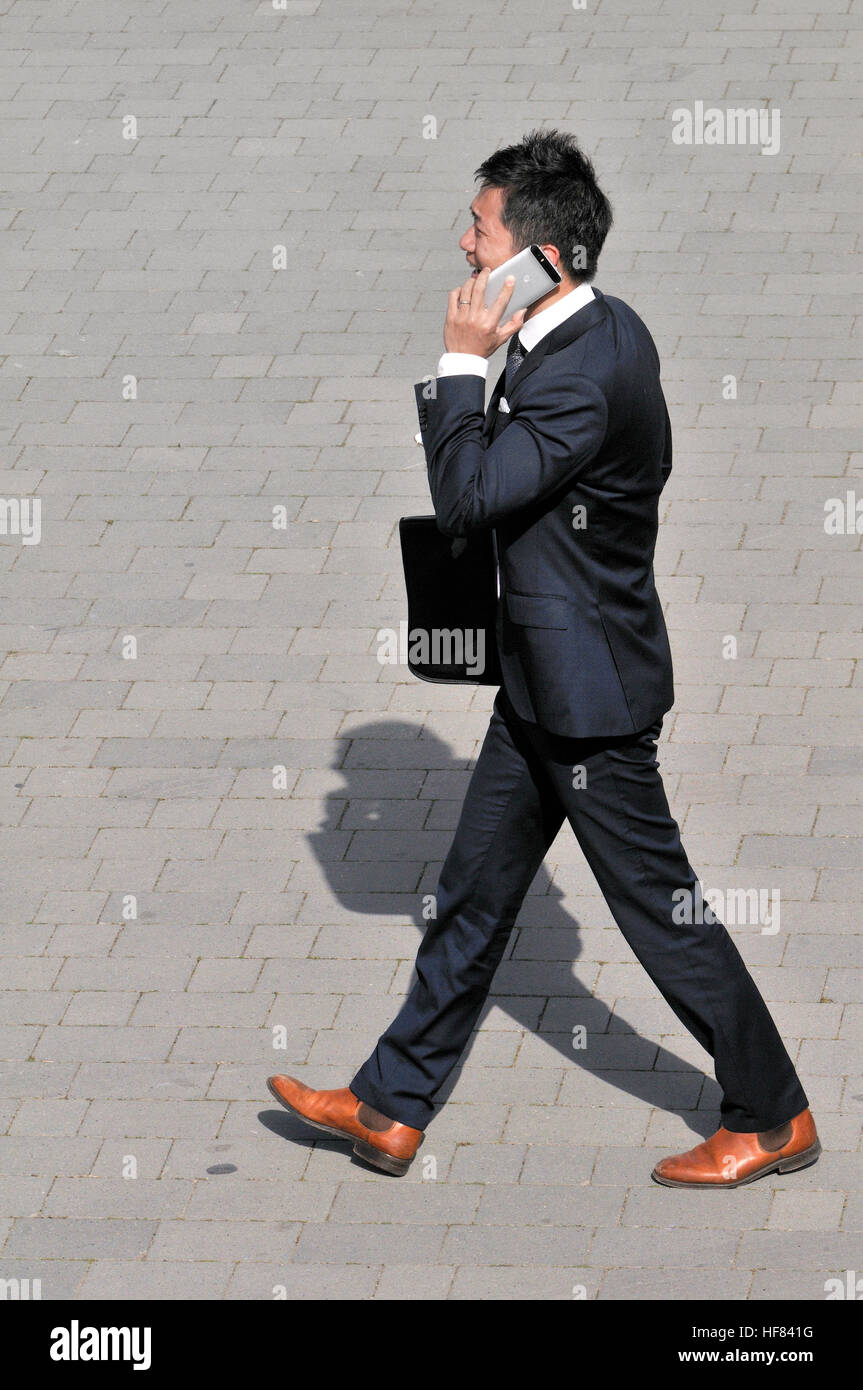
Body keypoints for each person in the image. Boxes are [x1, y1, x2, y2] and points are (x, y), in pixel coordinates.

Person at [268, 129, 819, 1188]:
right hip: (538, 685)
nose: (463, 247)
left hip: (588, 706)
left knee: (663, 915)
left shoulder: (581, 374)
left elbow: (469, 495)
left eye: (479, 231)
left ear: (543, 260)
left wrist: (457, 363)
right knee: (472, 896)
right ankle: (390, 1105)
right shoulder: (590, 330)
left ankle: (773, 1112)